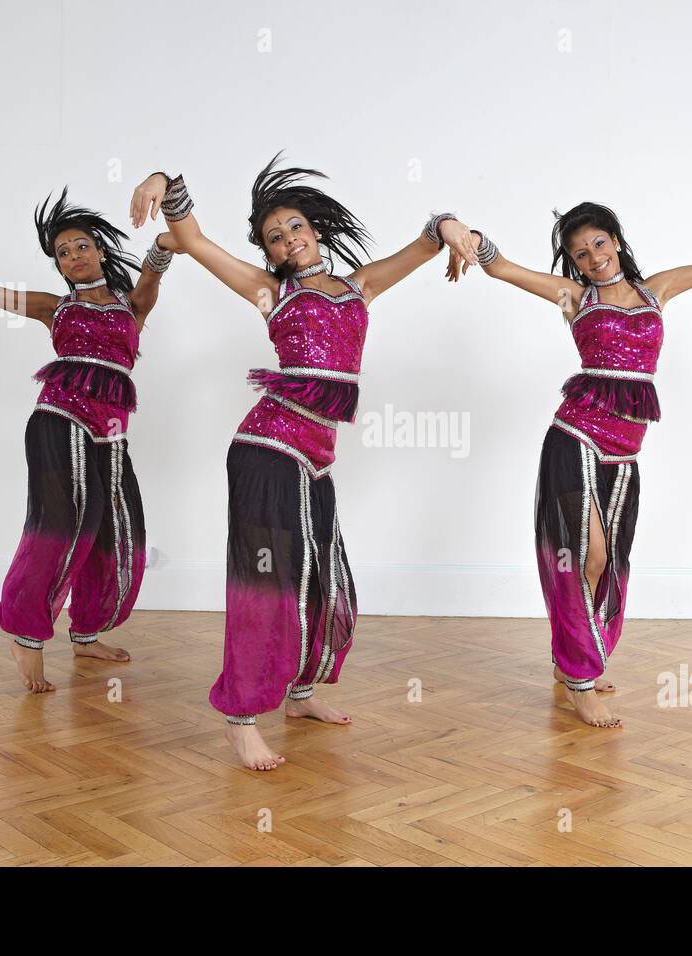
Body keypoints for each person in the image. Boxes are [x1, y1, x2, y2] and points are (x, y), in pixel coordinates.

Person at [129, 153, 478, 769]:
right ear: (269, 252)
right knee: (267, 583)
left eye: (294, 226)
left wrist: (449, 225)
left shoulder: (358, 287)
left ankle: (300, 692)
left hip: (315, 460)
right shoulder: (270, 292)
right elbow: (191, 240)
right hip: (267, 452)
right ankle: (239, 717)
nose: (287, 239)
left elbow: (425, 245)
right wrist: (165, 180)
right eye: (273, 237)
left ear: (314, 228)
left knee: (323, 580)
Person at [450, 208, 692, 727]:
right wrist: (465, 236)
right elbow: (506, 269)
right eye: (581, 253)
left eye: (600, 244)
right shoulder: (575, 298)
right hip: (576, 439)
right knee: (587, 555)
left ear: (618, 242)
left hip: (625, 456)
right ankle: (581, 680)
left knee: (608, 563)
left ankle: (572, 659)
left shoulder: (659, 291)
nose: (594, 258)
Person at [0, 189, 179, 693]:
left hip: (111, 432)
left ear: (101, 251)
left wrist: (165, 240)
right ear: (61, 268)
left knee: (116, 530)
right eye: (63, 253)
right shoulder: (55, 308)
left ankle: (86, 634)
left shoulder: (133, 305)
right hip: (59, 417)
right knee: (65, 524)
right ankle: (26, 634)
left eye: (81, 245)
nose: (73, 256)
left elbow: (156, 268)